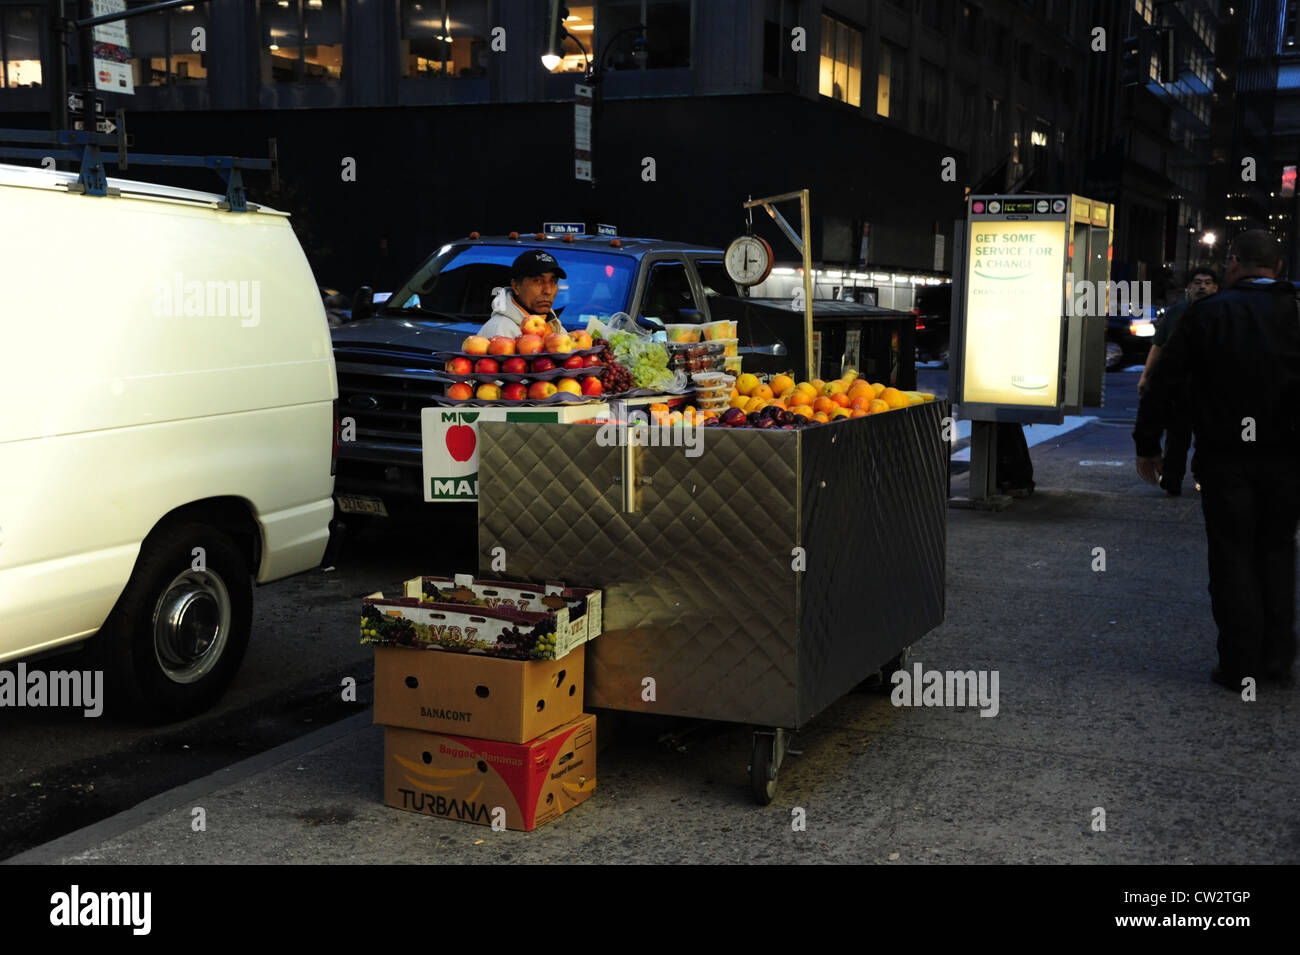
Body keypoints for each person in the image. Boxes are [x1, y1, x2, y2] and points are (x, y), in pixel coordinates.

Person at [1133, 229, 1300, 690]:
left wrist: (1148, 444)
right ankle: (1277, 657)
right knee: (1278, 550)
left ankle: (1240, 662)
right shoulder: (1296, 312)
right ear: (1279, 267)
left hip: (1225, 455)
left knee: (1232, 555)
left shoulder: (1208, 314)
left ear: (1232, 265)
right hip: (1287, 458)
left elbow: (1163, 384)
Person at [1138, 267, 1219, 495]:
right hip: (1179, 388)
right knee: (1177, 436)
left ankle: (1200, 477)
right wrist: (1145, 376)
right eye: (1197, 282)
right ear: (1189, 287)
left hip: (1210, 388)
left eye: (1208, 282)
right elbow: (1158, 345)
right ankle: (1172, 479)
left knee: (1205, 438)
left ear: (1216, 287)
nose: (1202, 286)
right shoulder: (1176, 313)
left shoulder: (1223, 313)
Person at [479, 249, 568, 339]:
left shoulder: (555, 327)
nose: (548, 291)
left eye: (553, 281)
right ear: (516, 286)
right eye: (538, 281)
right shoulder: (500, 332)